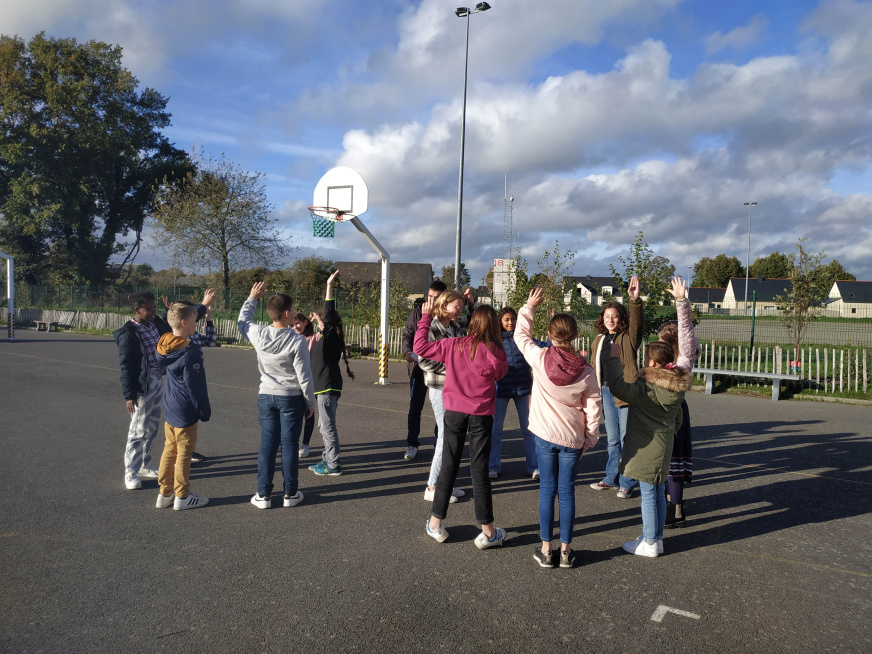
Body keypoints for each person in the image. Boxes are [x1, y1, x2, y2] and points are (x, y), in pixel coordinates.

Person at [515, 288, 602, 568]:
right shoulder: (587, 371)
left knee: (546, 491)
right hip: (572, 439)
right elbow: (594, 409)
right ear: (575, 336)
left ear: (550, 337)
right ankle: (565, 552)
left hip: (543, 435)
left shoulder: (540, 359)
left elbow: (520, 337)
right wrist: (589, 440)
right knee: (567, 492)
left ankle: (545, 549)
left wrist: (529, 307)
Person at [414, 301, 509, 549]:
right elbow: (501, 373)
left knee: (449, 466)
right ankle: (488, 532)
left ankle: (435, 523)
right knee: (479, 472)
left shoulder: (453, 344)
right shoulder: (495, 351)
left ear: (473, 323)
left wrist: (425, 318)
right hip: (481, 414)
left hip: (454, 411)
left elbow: (419, 347)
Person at [603, 341, 691, 557]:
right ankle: (656, 538)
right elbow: (678, 419)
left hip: (645, 446)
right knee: (658, 491)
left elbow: (617, 387)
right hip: (664, 444)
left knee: (649, 494)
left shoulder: (645, 387)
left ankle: (650, 541)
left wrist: (613, 359)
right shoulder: (676, 388)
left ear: (651, 362)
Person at [113, 291, 205, 490]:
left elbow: (182, 321)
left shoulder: (156, 325)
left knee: (153, 426)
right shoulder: (129, 333)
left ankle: (146, 464)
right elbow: (126, 366)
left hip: (159, 380)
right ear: (137, 310)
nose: (154, 311)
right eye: (149, 308)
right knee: (138, 429)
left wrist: (202, 305)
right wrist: (129, 395)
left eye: (155, 307)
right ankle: (131, 471)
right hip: (143, 384)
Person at [238, 283, 315, 509]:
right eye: (292, 309)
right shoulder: (297, 340)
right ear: (287, 313)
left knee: (267, 444)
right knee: (290, 445)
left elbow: (242, 321)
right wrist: (310, 402)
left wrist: (252, 298)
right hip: (291, 397)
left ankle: (263, 495)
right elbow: (305, 376)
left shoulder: (259, 333)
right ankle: (290, 493)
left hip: (266, 395)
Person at [588, 275, 644, 499]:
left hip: (626, 393)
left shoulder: (628, 338)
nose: (610, 320)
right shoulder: (598, 340)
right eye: (607, 316)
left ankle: (628, 482)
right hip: (606, 392)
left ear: (621, 319)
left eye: (615, 316)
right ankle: (611, 477)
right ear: (603, 318)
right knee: (612, 439)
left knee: (626, 438)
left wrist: (634, 301)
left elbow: (638, 324)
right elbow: (593, 368)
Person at [154, 303, 212, 510]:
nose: (197, 324)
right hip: (185, 408)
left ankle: (164, 492)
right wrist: (204, 410)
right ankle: (182, 496)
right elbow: (195, 386)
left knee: (169, 449)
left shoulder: (165, 343)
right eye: (195, 320)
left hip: (170, 404)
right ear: (185, 322)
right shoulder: (189, 351)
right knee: (184, 453)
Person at [657, 276, 701, 528]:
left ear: (676, 345)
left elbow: (686, 334)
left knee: (673, 462)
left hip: (673, 415)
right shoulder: (662, 364)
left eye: (664, 343)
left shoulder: (682, 362)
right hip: (663, 414)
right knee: (666, 462)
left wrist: (682, 302)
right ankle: (671, 505)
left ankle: (676, 508)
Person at [417, 290, 467, 504]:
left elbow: (474, 325)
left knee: (452, 437)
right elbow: (423, 361)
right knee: (445, 436)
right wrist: (452, 369)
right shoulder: (431, 327)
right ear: (445, 305)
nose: (460, 311)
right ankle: (432, 486)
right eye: (457, 306)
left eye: (461, 307)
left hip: (455, 389)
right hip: (439, 389)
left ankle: (446, 483)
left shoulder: (455, 326)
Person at [488, 306, 546, 480]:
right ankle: (493, 466)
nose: (510, 322)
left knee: (529, 429)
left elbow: (541, 345)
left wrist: (555, 341)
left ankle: (534, 467)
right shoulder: (495, 340)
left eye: (513, 319)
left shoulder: (523, 337)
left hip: (522, 387)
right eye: (506, 319)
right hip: (501, 389)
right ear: (500, 321)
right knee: (496, 430)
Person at [161, 290, 218, 464]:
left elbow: (211, 340)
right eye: (193, 317)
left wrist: (208, 319)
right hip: (183, 395)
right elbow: (194, 386)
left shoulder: (191, 336)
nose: (196, 320)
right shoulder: (176, 340)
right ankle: (180, 489)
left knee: (179, 439)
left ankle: (166, 487)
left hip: (177, 396)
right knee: (179, 444)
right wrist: (203, 304)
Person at [308, 270, 355, 476]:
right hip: (325, 386)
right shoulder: (327, 336)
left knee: (327, 427)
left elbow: (328, 312)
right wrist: (316, 320)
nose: (319, 321)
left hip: (327, 387)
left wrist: (329, 286)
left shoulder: (330, 335)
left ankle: (333, 464)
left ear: (328, 322)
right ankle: (327, 458)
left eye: (322, 319)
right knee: (323, 426)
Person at [401, 280, 446, 460]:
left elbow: (464, 324)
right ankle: (412, 444)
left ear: (442, 297)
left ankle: (439, 443)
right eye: (429, 296)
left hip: (439, 369)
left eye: (435, 297)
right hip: (418, 368)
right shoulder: (418, 311)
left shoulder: (446, 314)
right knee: (415, 407)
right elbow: (407, 334)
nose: (431, 300)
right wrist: (407, 352)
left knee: (441, 408)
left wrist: (471, 304)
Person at [293, 312, 321, 459]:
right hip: (293, 381)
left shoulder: (314, 337)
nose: (295, 327)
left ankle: (305, 444)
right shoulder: (290, 336)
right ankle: (291, 442)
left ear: (305, 322)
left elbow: (326, 332)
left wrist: (318, 319)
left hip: (310, 381)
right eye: (293, 324)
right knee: (294, 413)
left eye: (298, 323)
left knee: (309, 412)